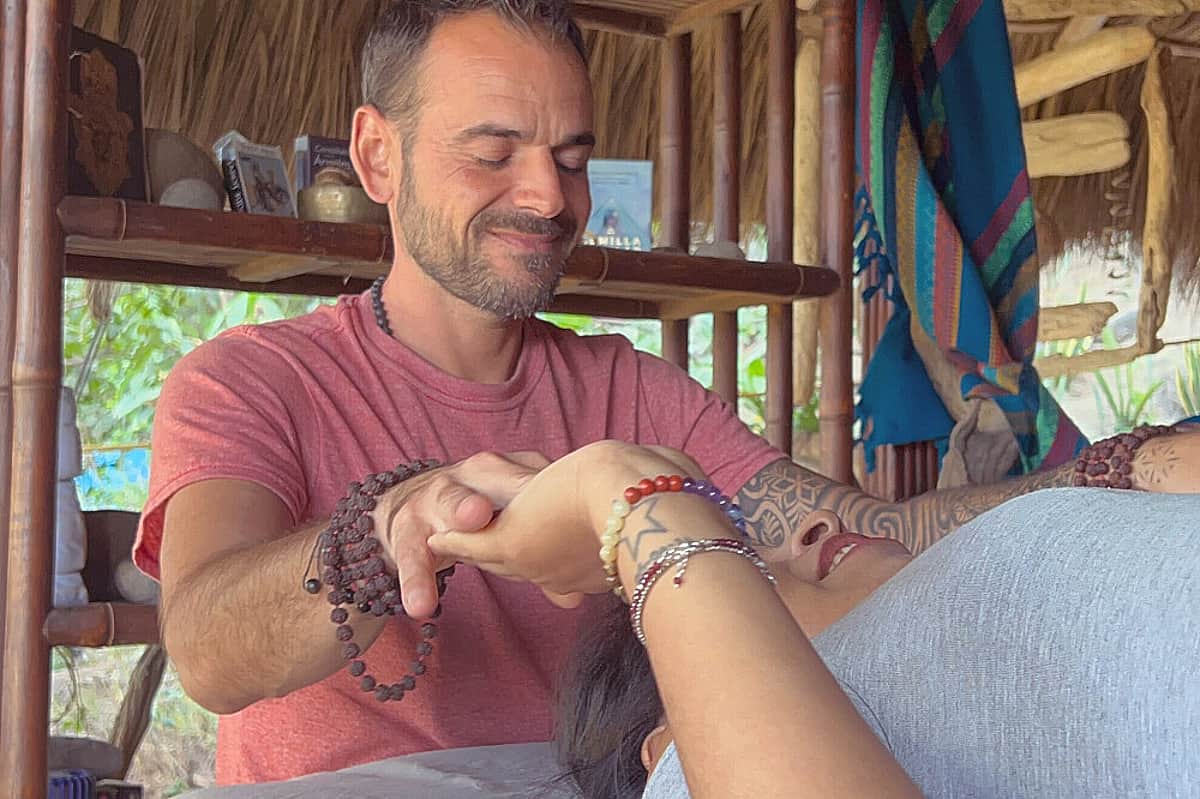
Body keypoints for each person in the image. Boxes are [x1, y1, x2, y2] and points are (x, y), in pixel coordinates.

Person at [136, 0, 1196, 785]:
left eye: (571, 156)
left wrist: (1126, 469)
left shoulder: (630, 391)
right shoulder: (249, 380)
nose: (549, 196)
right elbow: (208, 647)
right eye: (494, 153)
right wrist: (392, 525)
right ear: (377, 154)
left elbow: (860, 529)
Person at [427, 440, 1200, 799]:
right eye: (750, 572)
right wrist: (621, 489)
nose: (807, 531)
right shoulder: (713, 761)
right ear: (680, 746)